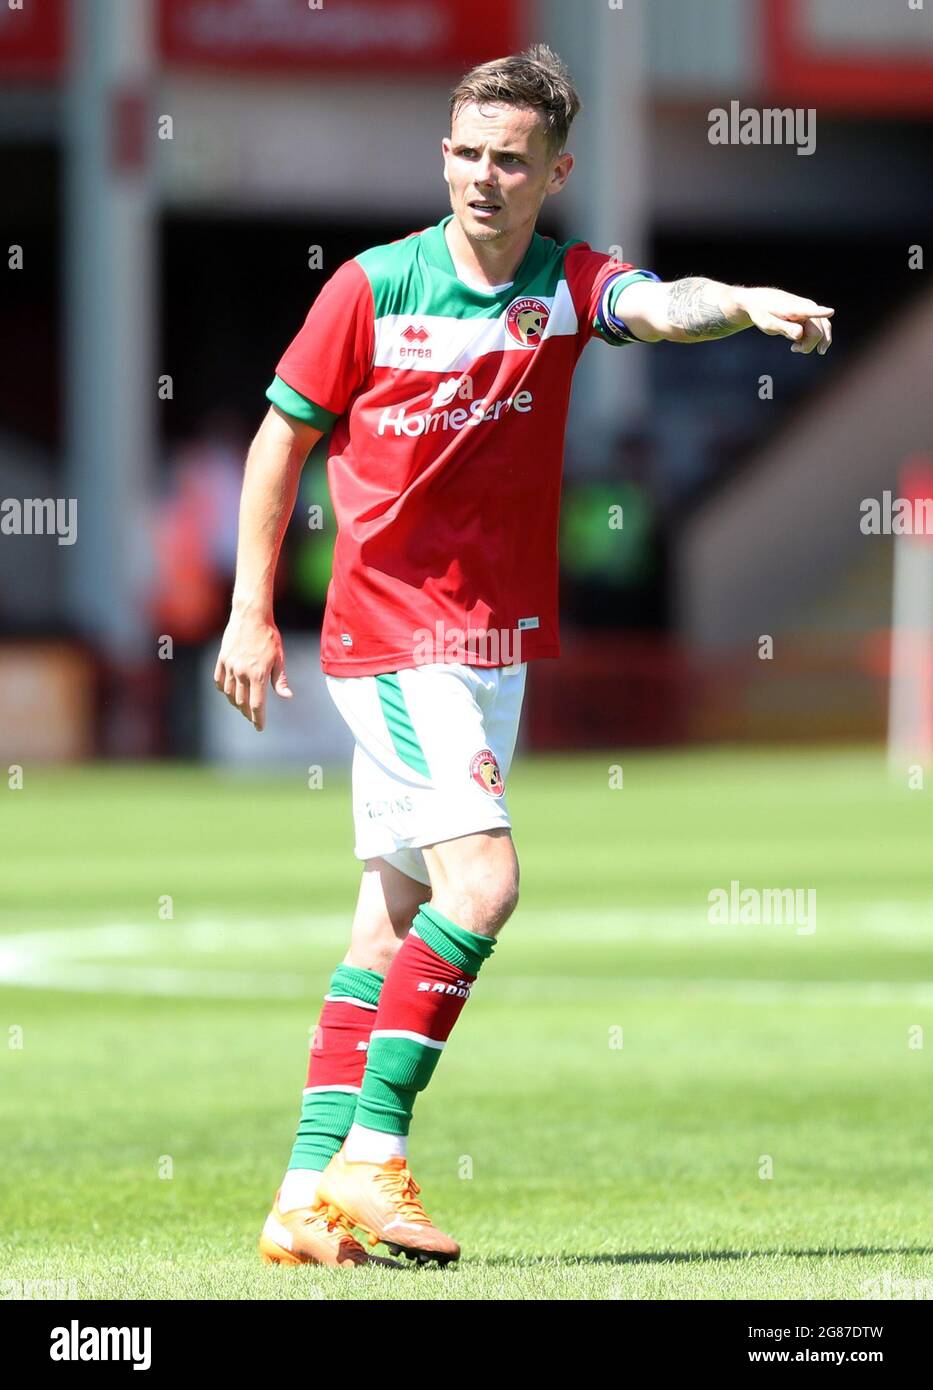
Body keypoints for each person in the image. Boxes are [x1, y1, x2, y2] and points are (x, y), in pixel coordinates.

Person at [213, 44, 834, 1269]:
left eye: (511, 160)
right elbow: (278, 444)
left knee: (387, 927)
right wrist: (246, 609)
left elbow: (654, 303)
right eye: (466, 153)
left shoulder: (563, 287)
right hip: (395, 638)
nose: (483, 178)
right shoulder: (372, 289)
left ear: (554, 171)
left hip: (492, 654)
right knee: (484, 886)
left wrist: (746, 303)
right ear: (442, 154)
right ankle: (373, 1154)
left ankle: (302, 1195)